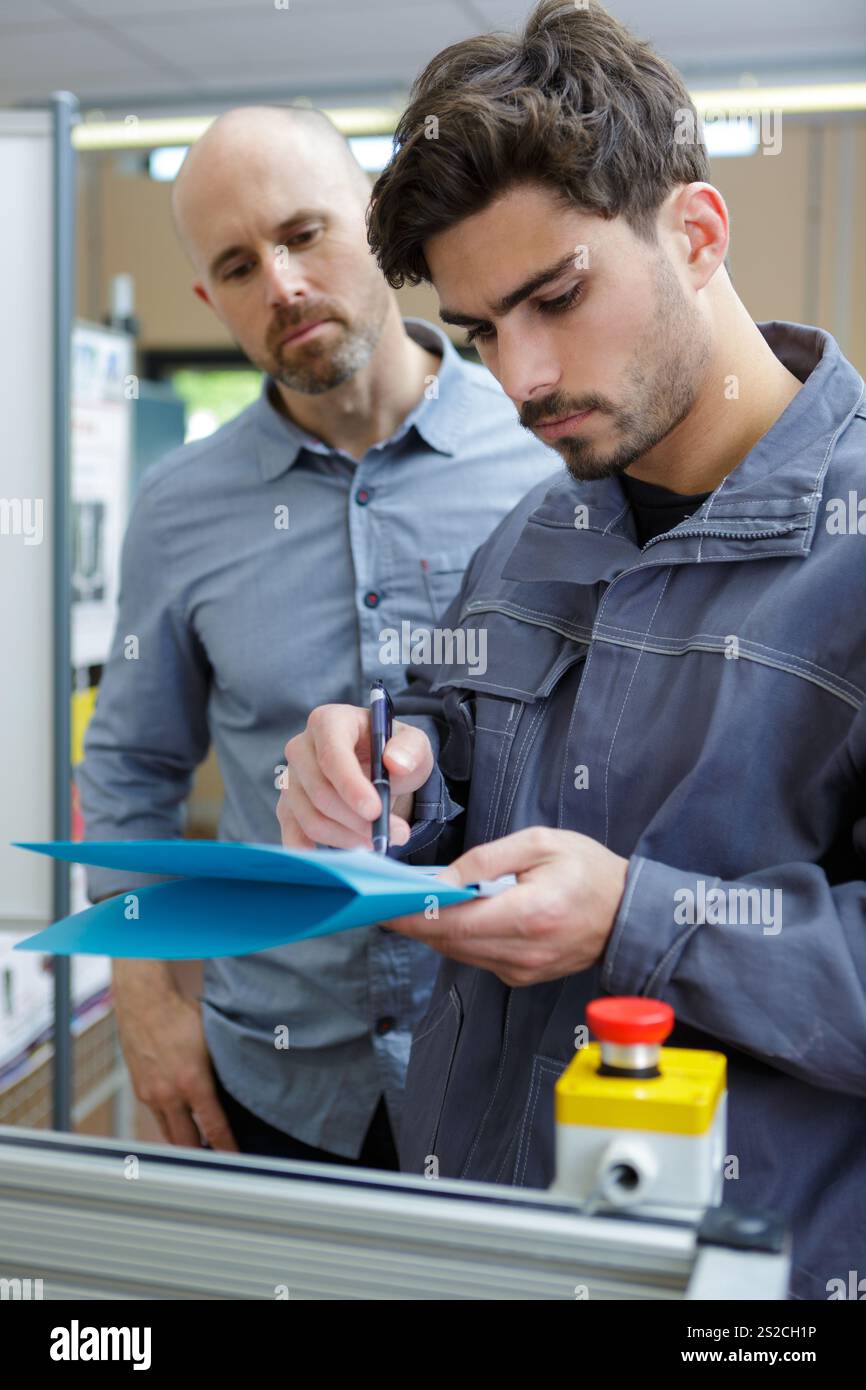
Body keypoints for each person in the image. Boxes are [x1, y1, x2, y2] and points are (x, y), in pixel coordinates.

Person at [278, 1, 866, 1296]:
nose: (523, 377)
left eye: (558, 296)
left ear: (697, 233)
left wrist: (635, 919)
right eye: (483, 330)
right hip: (471, 1244)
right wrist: (382, 779)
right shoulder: (532, 533)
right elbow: (448, 775)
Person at [77, 104, 556, 1167]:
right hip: (276, 1081)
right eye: (238, 266)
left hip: (508, 1064)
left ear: (378, 227)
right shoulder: (179, 507)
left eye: (303, 235)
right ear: (210, 300)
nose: (282, 285)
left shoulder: (545, 457)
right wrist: (146, 1000)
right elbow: (129, 764)